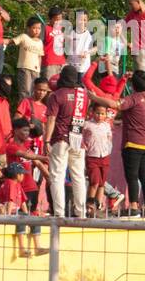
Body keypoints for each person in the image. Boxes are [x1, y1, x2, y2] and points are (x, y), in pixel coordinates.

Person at [48, 65, 121, 218]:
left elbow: (51, 119)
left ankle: (59, 214)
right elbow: (101, 101)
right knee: (79, 177)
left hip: (61, 139)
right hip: (78, 140)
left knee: (57, 176)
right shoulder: (84, 94)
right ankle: (81, 213)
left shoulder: (56, 95)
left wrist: (47, 140)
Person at [117, 70, 145, 216]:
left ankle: (134, 207)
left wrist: (94, 97)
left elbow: (115, 104)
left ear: (132, 84)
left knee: (132, 176)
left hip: (132, 143)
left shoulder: (132, 98)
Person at [83, 102, 114, 216]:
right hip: (92, 156)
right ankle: (89, 206)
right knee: (94, 182)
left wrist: (109, 147)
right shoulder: (87, 124)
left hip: (104, 156)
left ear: (106, 114)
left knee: (101, 183)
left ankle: (98, 205)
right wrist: (83, 145)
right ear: (92, 112)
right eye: (97, 113)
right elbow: (81, 136)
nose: (99, 116)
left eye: (102, 114)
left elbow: (109, 137)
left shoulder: (106, 125)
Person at [10, 17, 45, 100]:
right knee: (25, 91)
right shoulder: (24, 37)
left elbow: (39, 57)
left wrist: (39, 70)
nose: (37, 30)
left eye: (39, 28)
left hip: (36, 71)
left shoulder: (40, 42)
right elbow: (11, 41)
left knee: (34, 92)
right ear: (28, 28)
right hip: (25, 68)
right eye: (34, 28)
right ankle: (23, 111)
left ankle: (31, 111)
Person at [64, 8, 96, 76]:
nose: (82, 22)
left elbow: (96, 48)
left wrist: (87, 52)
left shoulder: (91, 33)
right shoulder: (70, 32)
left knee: (82, 86)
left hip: (84, 68)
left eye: (85, 20)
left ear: (87, 20)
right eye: (80, 20)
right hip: (71, 67)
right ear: (76, 20)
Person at [41, 7, 66, 83]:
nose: (59, 21)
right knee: (49, 86)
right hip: (49, 63)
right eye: (56, 19)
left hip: (61, 63)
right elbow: (39, 44)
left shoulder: (61, 29)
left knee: (60, 86)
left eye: (60, 19)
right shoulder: (45, 28)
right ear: (51, 19)